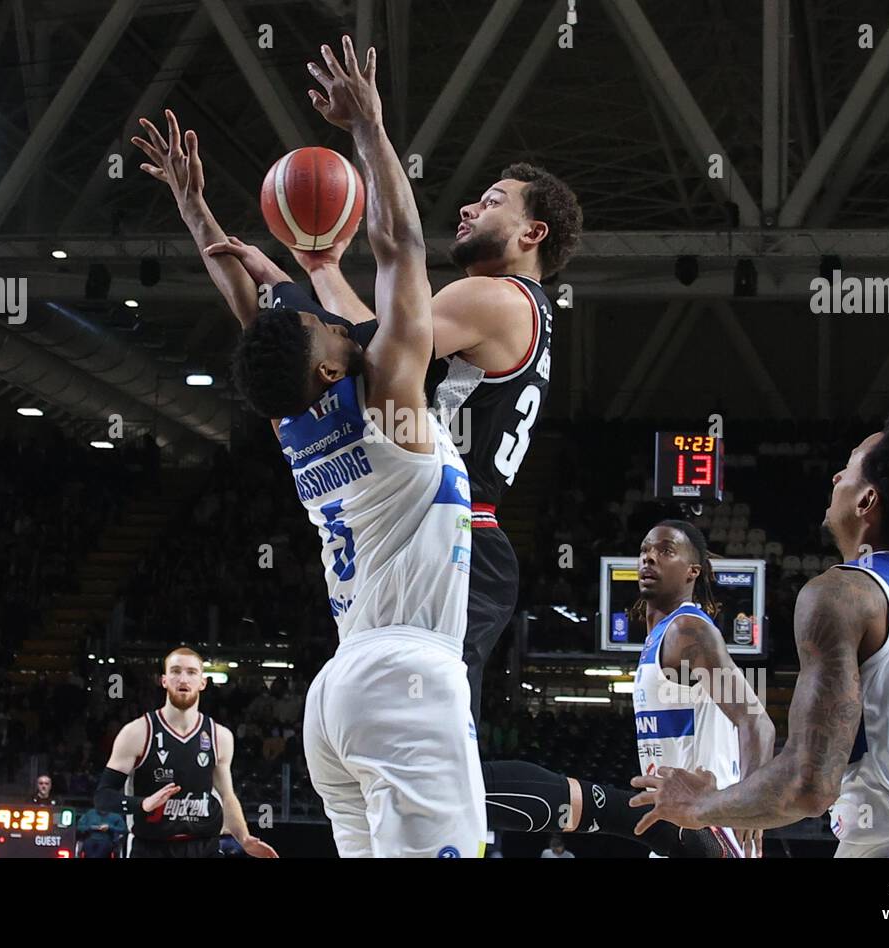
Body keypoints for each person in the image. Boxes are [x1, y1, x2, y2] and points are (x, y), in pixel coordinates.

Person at [133, 71, 727, 859]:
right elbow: (381, 300)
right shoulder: (398, 393)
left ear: (534, 234)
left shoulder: (493, 303)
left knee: (448, 776)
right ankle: (615, 814)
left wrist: (272, 256)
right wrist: (340, 196)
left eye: (493, 199)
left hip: (409, 599)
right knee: (449, 774)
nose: (471, 206)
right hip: (432, 585)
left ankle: (610, 814)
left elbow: (351, 331)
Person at [631, 416, 889, 858]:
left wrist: (700, 806)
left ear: (866, 500)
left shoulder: (843, 594)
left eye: (848, 469)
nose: (835, 478)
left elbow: (808, 786)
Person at [630, 520, 775, 857]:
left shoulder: (688, 630)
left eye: (665, 551)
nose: (649, 558)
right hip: (678, 825)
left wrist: (749, 804)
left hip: (710, 829)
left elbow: (757, 722)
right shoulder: (658, 638)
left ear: (692, 571)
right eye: (645, 551)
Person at [96, 647, 277, 858]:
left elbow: (227, 797)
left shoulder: (220, 736)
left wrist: (244, 838)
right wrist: (143, 804)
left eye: (191, 672)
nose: (183, 679)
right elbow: (103, 796)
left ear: (203, 682)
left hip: (203, 846)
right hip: (150, 847)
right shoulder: (138, 732)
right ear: (163, 680)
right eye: (175, 671)